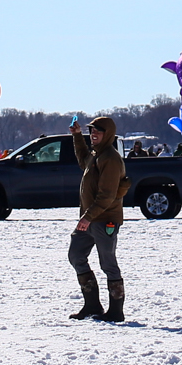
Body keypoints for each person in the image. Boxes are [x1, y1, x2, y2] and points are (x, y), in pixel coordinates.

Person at [68, 116, 128, 322]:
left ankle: (116, 311)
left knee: (108, 263)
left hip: (105, 219)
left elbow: (107, 195)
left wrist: (87, 217)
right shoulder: (96, 154)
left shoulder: (110, 158)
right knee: (76, 256)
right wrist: (77, 137)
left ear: (107, 134)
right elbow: (83, 160)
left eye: (98, 131)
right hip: (89, 219)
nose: (93, 134)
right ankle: (92, 304)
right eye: (92, 130)